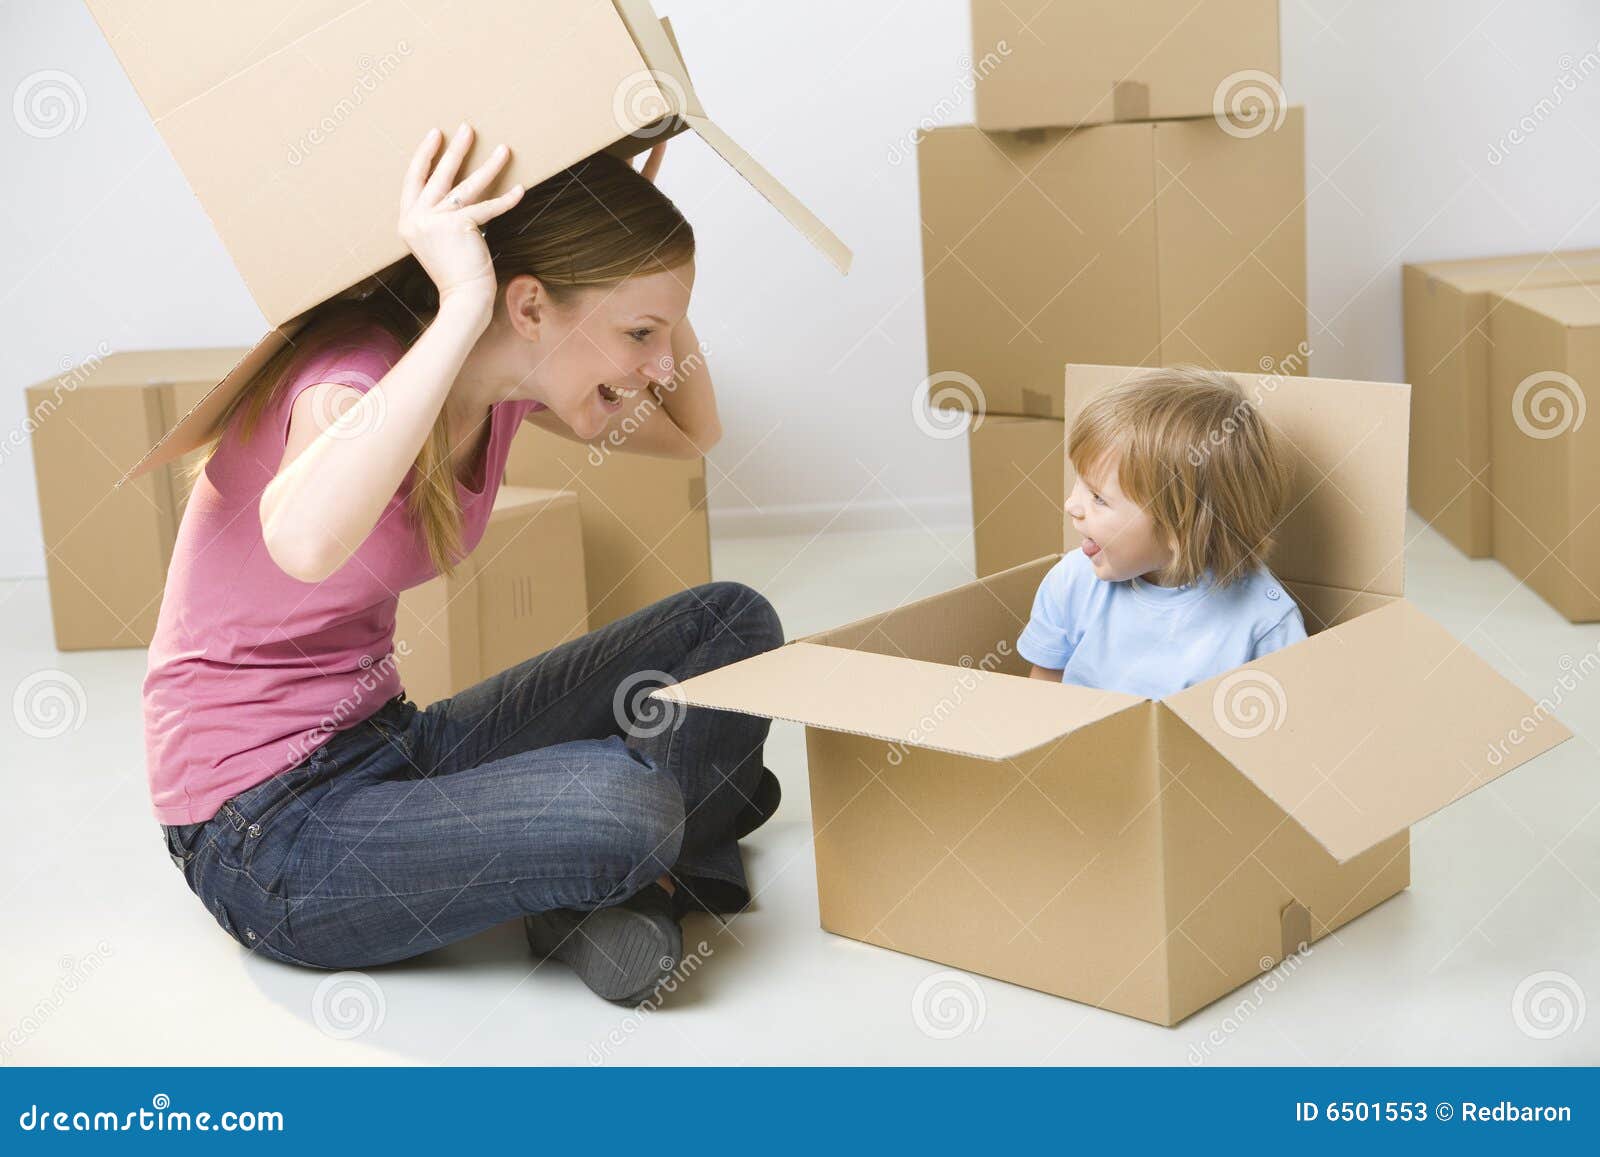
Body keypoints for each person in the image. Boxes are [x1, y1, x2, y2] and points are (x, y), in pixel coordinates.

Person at [148, 123, 780, 1006]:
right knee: (625, 807)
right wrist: (460, 301)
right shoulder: (355, 383)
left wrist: (629, 237)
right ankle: (640, 845)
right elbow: (302, 543)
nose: (661, 365)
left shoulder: (514, 378)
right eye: (640, 332)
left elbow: (690, 433)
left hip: (391, 744)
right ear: (526, 309)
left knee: (731, 625)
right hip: (266, 836)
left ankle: (601, 876)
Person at [1019, 366, 1307, 697]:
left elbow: (1287, 734)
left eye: (1099, 498)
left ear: (1177, 528)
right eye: (1080, 484)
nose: (1072, 504)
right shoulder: (1072, 582)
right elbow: (1042, 695)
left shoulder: (1264, 623)